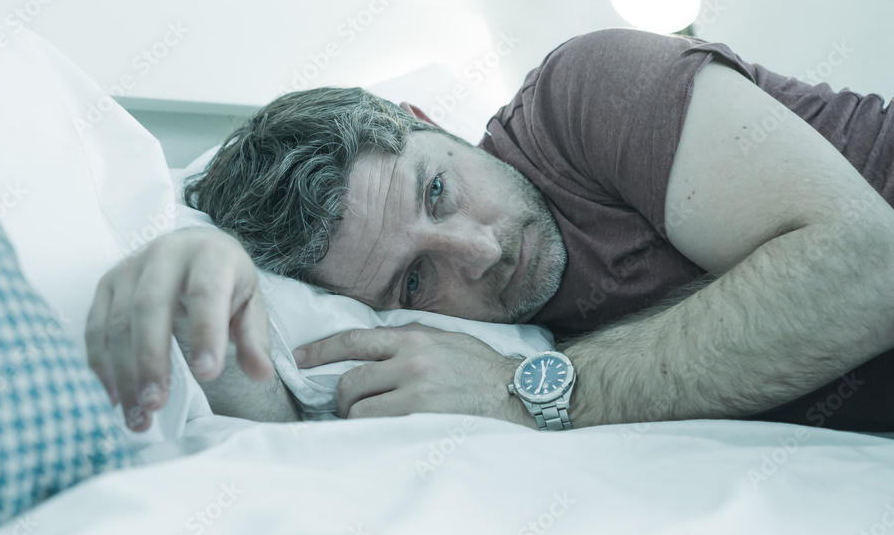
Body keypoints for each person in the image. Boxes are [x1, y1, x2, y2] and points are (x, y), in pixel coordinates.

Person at [87, 28, 894, 434]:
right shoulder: (456, 334)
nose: (482, 252)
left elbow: (868, 263)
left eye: (438, 190)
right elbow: (293, 427)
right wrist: (206, 279)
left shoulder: (588, 92)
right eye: (413, 282)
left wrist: (526, 394)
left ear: (424, 120)